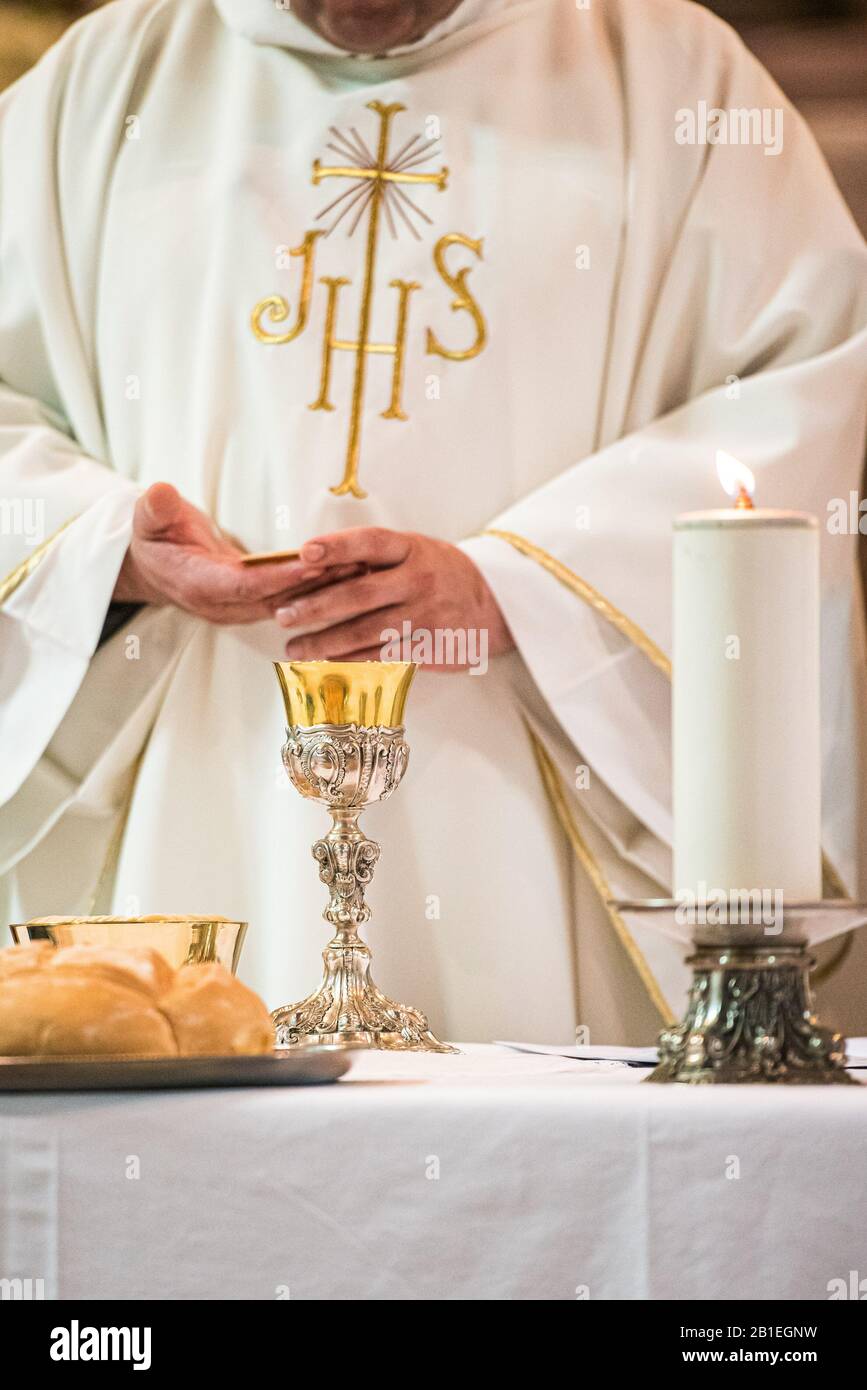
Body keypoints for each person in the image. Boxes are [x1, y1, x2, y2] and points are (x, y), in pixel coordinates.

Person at [1, 0, 866, 1043]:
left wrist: (521, 585)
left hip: (526, 790)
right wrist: (107, 545)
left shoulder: (674, 76)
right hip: (207, 770)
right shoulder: (106, 83)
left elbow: (807, 398)